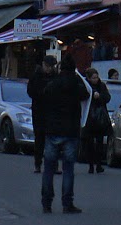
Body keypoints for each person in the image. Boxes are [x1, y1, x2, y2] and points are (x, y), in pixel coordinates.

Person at [35, 57, 88, 214]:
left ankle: (46, 202)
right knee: (68, 168)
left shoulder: (53, 84)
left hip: (52, 129)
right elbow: (86, 94)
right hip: (70, 130)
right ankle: (67, 202)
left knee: (49, 168)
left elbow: (43, 96)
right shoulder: (76, 84)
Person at [27, 57, 54, 175]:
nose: (49, 69)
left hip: (51, 111)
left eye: (51, 67)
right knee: (39, 138)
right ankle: (37, 163)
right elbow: (30, 91)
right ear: (43, 64)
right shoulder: (36, 76)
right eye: (48, 66)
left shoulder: (55, 77)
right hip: (39, 111)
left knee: (52, 139)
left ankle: (53, 165)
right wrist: (41, 94)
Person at [82, 69, 111, 174]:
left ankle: (98, 165)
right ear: (89, 78)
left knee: (99, 143)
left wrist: (100, 97)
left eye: (97, 77)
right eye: (93, 78)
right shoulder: (85, 86)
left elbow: (107, 97)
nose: (96, 79)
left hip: (99, 118)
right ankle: (90, 165)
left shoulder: (102, 86)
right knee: (89, 143)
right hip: (89, 118)